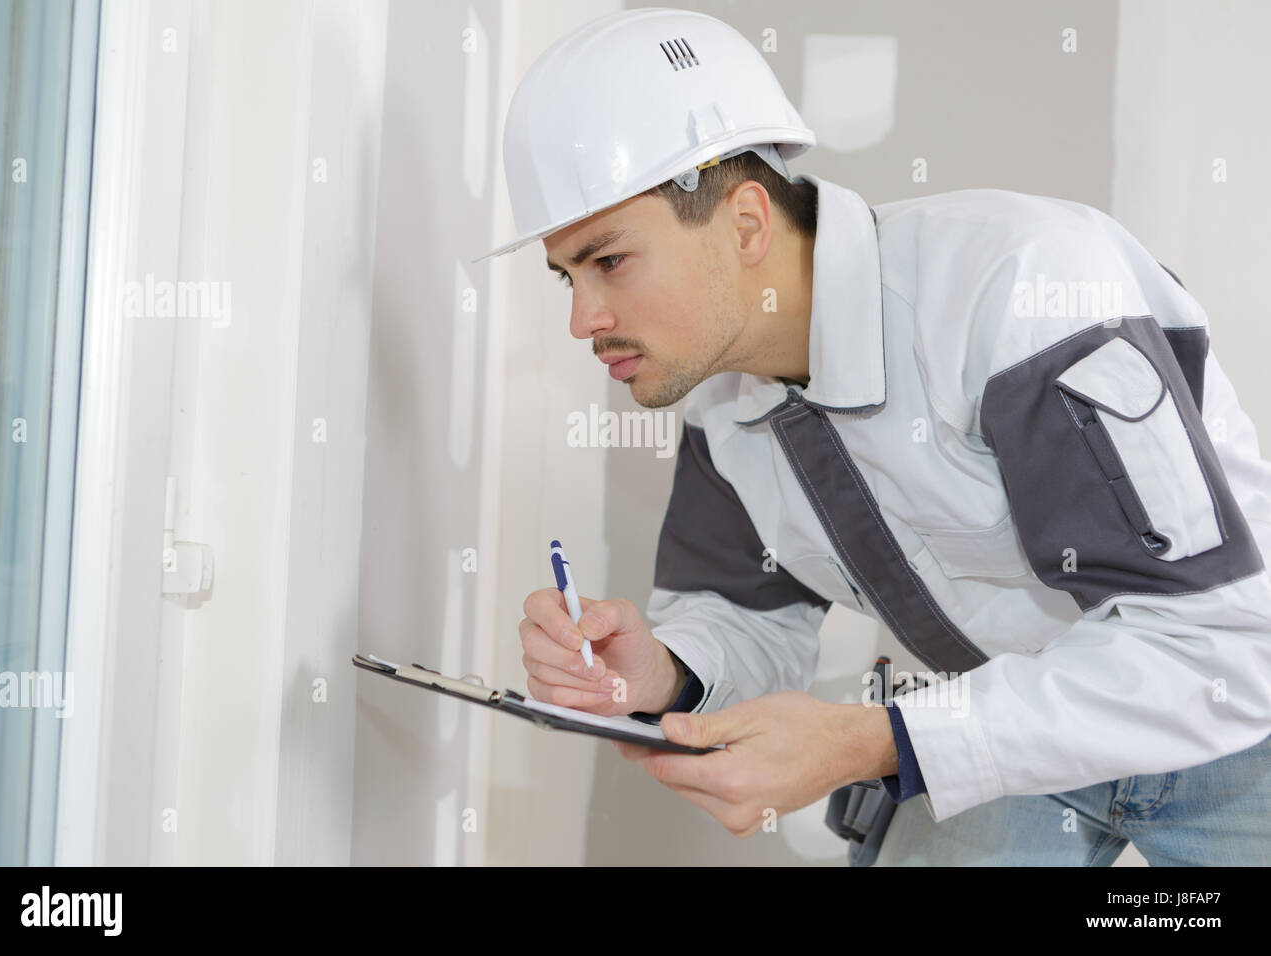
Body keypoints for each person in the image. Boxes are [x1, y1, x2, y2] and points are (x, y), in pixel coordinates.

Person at [476, 7, 1271, 864]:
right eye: (566, 276)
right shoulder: (724, 406)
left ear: (745, 223)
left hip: (1233, 719)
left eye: (609, 261)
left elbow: (1208, 646)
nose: (581, 319)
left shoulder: (1019, 291)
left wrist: (874, 740)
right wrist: (664, 671)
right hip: (1013, 732)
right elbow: (748, 620)